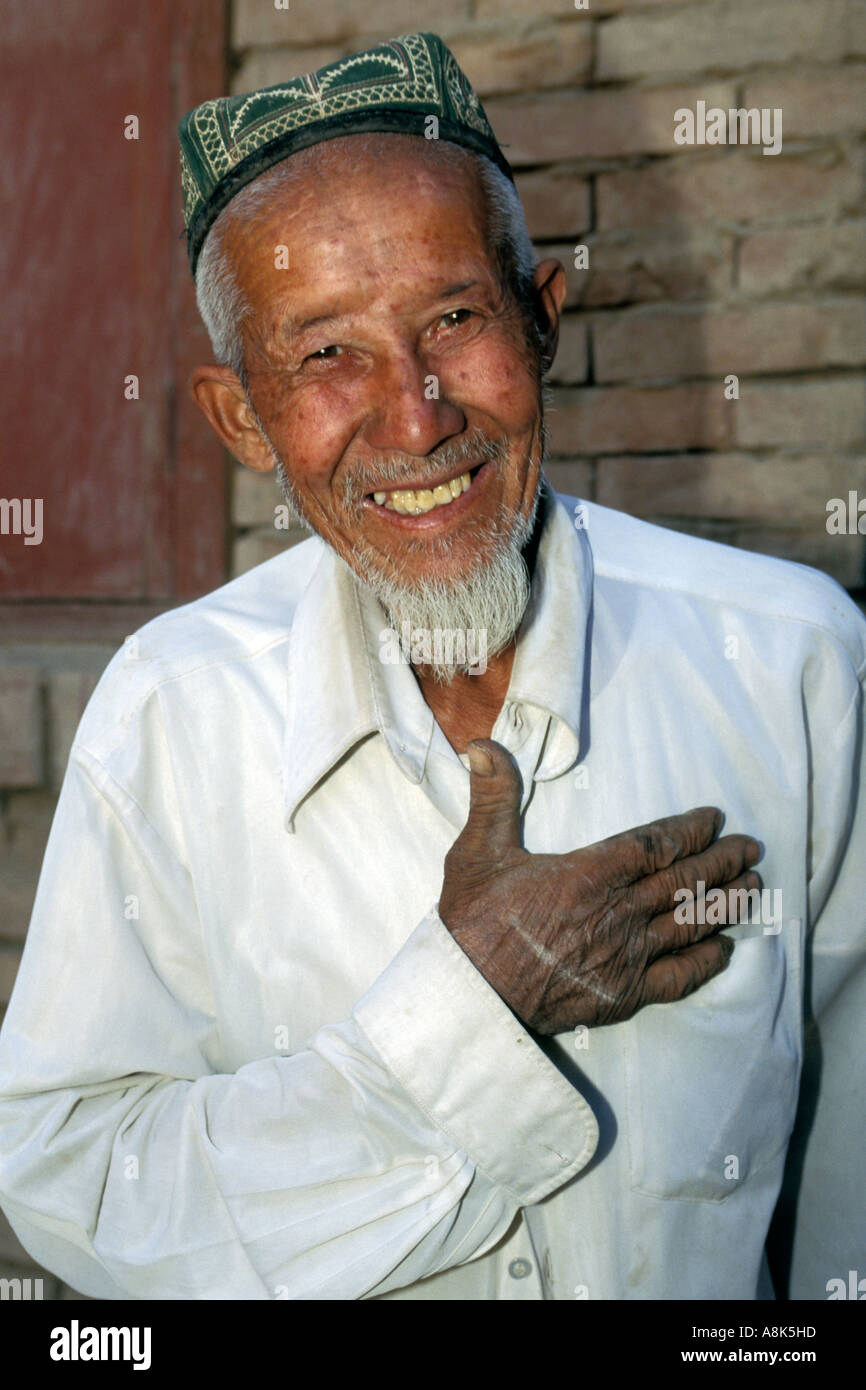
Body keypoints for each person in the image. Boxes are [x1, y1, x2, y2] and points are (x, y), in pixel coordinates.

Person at [0, 32, 862, 1302]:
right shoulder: (171, 709)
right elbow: (73, 1179)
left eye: (454, 318)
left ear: (544, 321)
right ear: (241, 418)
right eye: (327, 354)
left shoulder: (793, 658)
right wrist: (476, 1004)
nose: (414, 415)